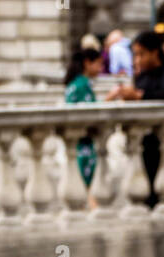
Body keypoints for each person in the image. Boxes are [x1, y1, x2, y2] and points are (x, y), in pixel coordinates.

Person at [104, 30, 164, 206]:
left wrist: (137, 96)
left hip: (161, 137)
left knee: (159, 185)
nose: (137, 59)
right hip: (141, 137)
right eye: (135, 55)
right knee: (141, 184)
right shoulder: (141, 75)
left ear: (154, 52)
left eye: (141, 54)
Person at [64, 47, 102, 205]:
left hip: (77, 142)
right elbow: (92, 113)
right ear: (87, 63)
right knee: (87, 185)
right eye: (99, 64)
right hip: (84, 142)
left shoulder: (75, 83)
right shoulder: (82, 84)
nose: (101, 69)